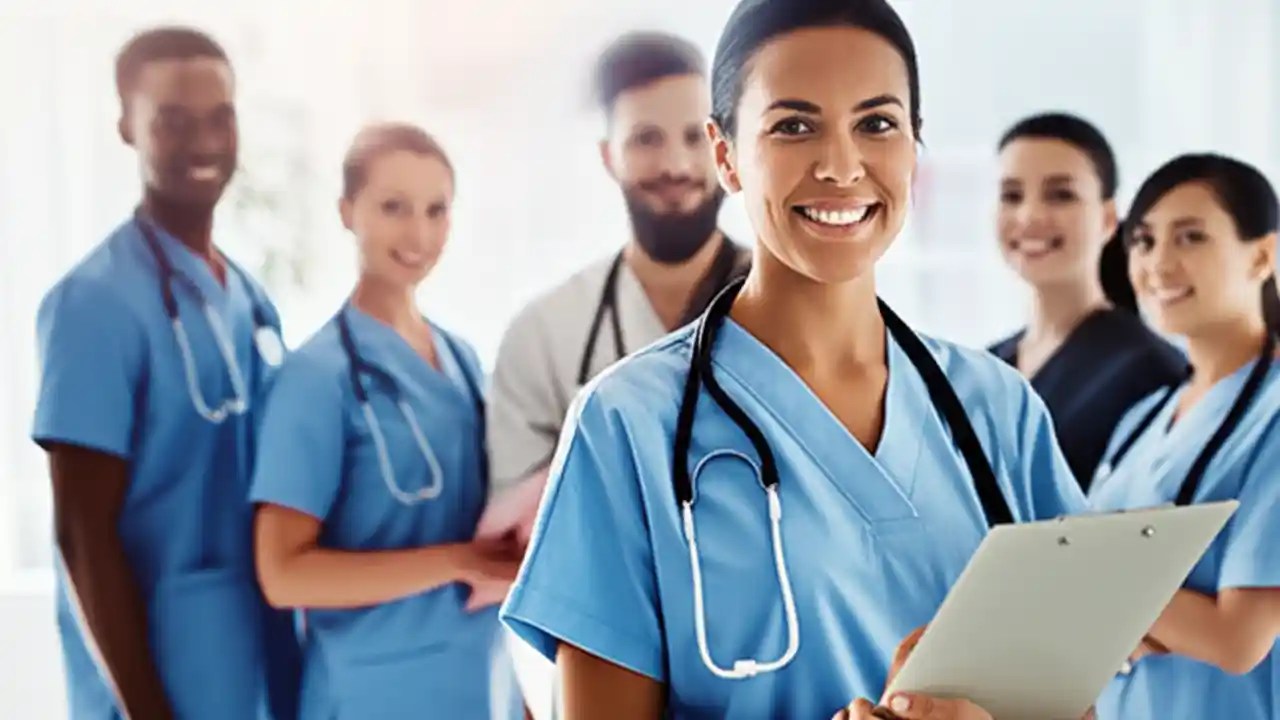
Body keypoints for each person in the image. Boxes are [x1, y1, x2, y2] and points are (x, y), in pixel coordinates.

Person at [499, 1, 1088, 718]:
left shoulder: (999, 410)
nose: (841, 166)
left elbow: (1069, 703)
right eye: (793, 126)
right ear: (725, 155)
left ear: (914, 144)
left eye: (877, 124)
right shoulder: (627, 422)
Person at [30, 27, 299, 720]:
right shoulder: (94, 303)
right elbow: (81, 533)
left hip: (253, 665)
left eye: (220, 117)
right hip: (157, 682)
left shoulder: (249, 298)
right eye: (172, 122)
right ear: (127, 127)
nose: (204, 143)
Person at [250, 123, 525, 720]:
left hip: (478, 685)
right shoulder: (316, 379)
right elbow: (284, 575)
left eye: (436, 210)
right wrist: (456, 560)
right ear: (348, 212)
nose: (419, 233)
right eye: (393, 208)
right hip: (372, 694)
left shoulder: (461, 358)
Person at [486, 30, 751, 509]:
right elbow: (517, 533)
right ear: (609, 156)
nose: (676, 164)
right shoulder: (543, 335)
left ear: (725, 149)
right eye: (646, 139)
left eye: (696, 136)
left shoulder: (796, 306)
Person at [1088, 154, 1280, 719]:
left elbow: (1238, 638)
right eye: (1143, 242)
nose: (1158, 264)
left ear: (1263, 255)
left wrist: (1093, 594)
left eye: (1191, 237)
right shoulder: (1143, 420)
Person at [987, 113, 1186, 490]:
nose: (1029, 216)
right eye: (1011, 195)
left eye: (1061, 195)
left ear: (1108, 219)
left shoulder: (1150, 369)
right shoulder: (986, 367)